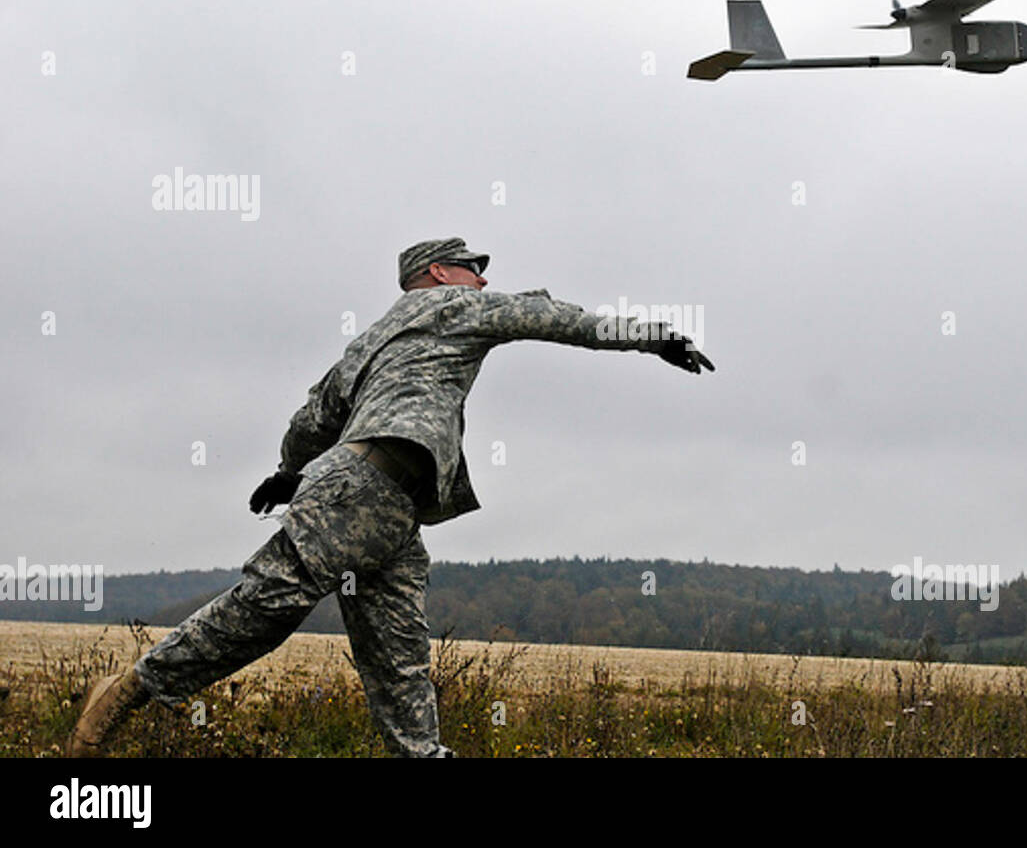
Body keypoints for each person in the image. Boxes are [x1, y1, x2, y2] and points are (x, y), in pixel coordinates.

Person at [67, 237, 713, 758]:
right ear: (438, 271)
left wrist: (290, 471)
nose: (485, 281)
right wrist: (655, 335)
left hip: (392, 514)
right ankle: (130, 688)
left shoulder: (367, 341)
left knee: (404, 683)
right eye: (473, 269)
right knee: (263, 609)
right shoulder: (460, 308)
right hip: (361, 490)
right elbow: (560, 319)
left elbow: (311, 417)